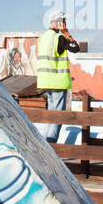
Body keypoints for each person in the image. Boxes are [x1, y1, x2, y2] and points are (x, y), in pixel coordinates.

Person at [36, 9, 80, 142]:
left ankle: (45, 142)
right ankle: (51, 143)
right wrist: (67, 33)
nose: (65, 23)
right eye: (64, 20)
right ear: (58, 22)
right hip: (57, 81)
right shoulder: (58, 37)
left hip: (45, 80)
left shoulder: (42, 38)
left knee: (51, 113)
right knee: (58, 114)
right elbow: (75, 48)